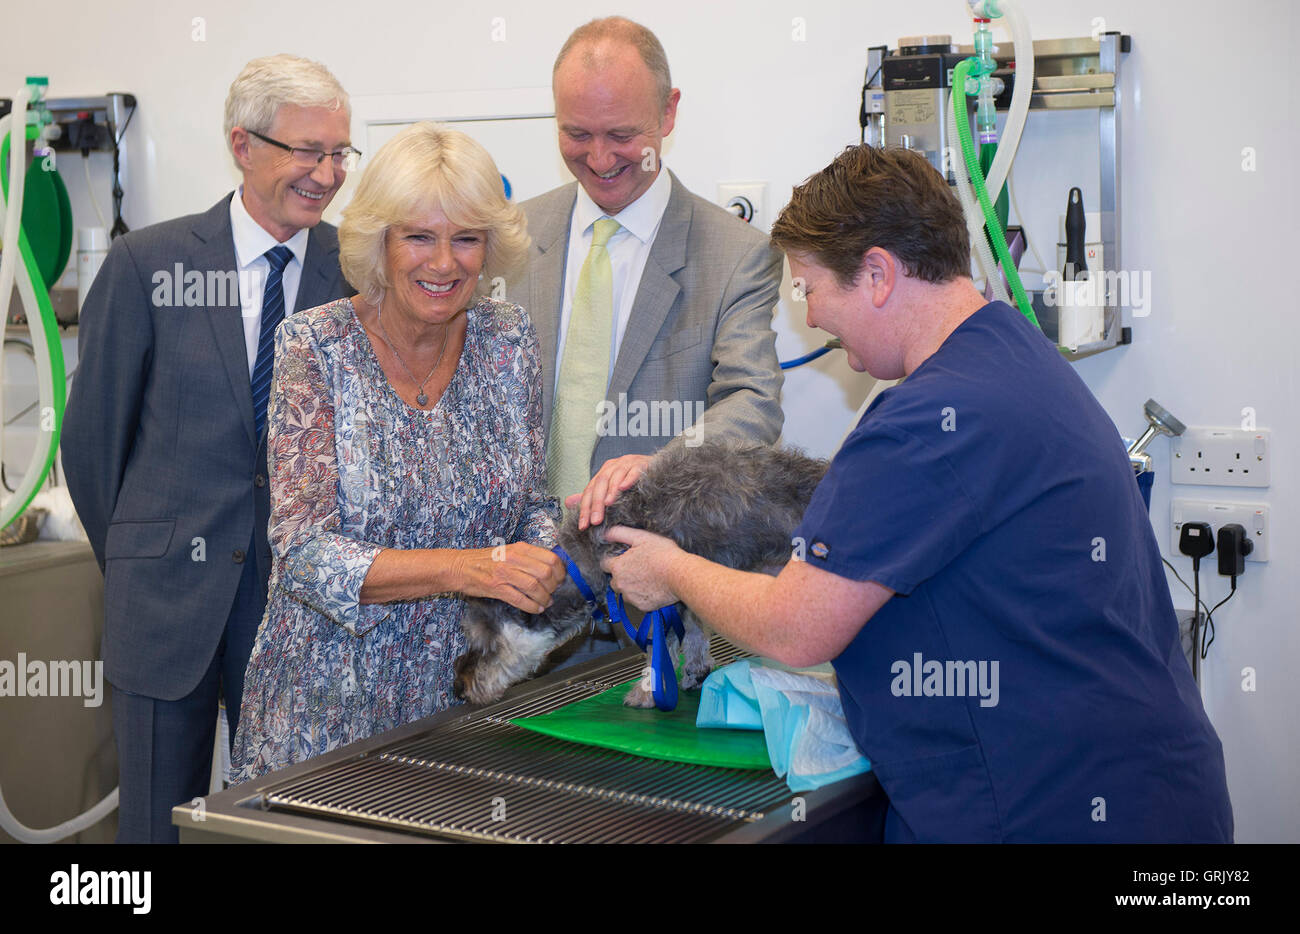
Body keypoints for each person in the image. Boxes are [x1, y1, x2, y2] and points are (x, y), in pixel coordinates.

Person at [601, 145, 1234, 843]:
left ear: (876, 274)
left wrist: (670, 570)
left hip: (1048, 808)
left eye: (810, 288)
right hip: (1151, 793)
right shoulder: (1014, 357)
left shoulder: (929, 423)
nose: (809, 317)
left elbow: (794, 627)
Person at [61, 54, 356, 843]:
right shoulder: (148, 265)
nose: (327, 174)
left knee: (286, 824)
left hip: (300, 609)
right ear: (243, 145)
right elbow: (91, 445)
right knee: (154, 828)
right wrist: (137, 560)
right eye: (307, 150)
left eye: (338, 153)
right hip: (163, 601)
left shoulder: (357, 275)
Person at [229, 122, 565, 783]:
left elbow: (529, 502)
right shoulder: (314, 347)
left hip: (465, 704)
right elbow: (303, 551)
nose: (443, 263)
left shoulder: (509, 340)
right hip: (324, 712)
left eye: (465, 238)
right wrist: (466, 568)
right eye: (419, 236)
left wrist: (549, 554)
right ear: (379, 242)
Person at [513, 16, 784, 668]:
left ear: (669, 112)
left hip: (655, 610)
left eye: (623, 135)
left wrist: (662, 463)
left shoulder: (735, 254)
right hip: (520, 598)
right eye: (576, 134)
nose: (600, 159)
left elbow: (753, 404)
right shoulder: (511, 236)